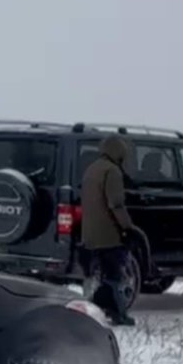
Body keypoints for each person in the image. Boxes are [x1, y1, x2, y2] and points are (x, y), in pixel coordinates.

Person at [79, 135, 138, 326]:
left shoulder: (92, 168)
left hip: (89, 233)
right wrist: (127, 228)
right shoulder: (112, 171)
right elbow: (116, 204)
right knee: (114, 275)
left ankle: (99, 308)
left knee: (99, 275)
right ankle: (116, 313)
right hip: (109, 234)